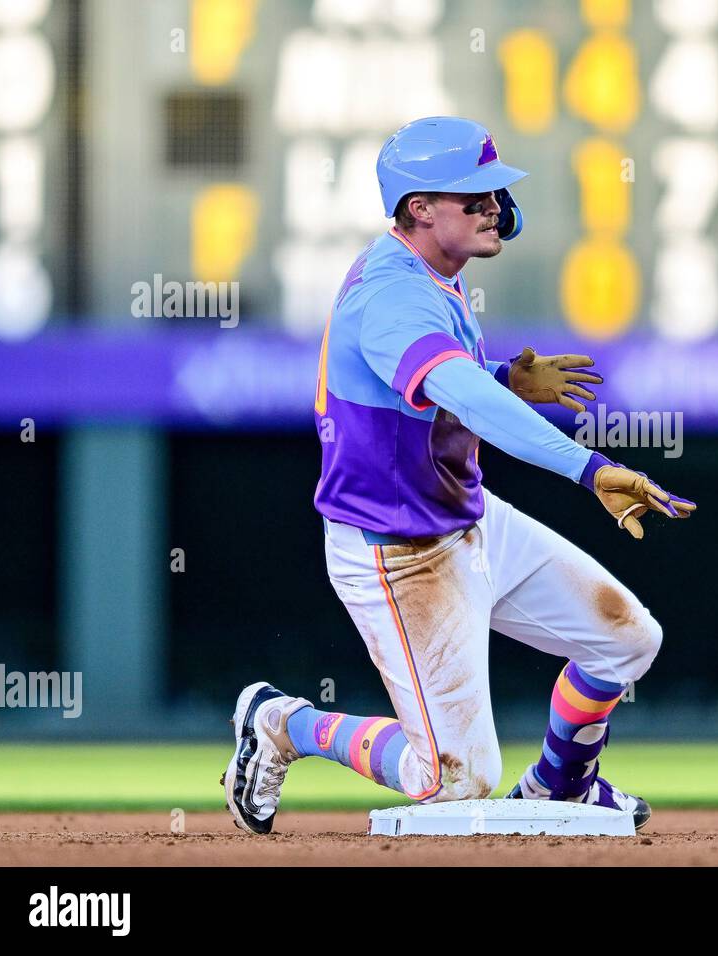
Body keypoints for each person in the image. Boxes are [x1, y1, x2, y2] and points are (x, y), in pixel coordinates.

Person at [223, 116, 694, 835]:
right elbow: (460, 394)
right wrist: (588, 467)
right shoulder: (391, 295)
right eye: (473, 198)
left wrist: (504, 373)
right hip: (396, 550)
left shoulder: (429, 275)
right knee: (451, 783)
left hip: (466, 518)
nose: (494, 208)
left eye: (494, 194)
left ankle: (558, 788)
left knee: (628, 639)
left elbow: (449, 383)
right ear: (419, 208)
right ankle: (283, 722)